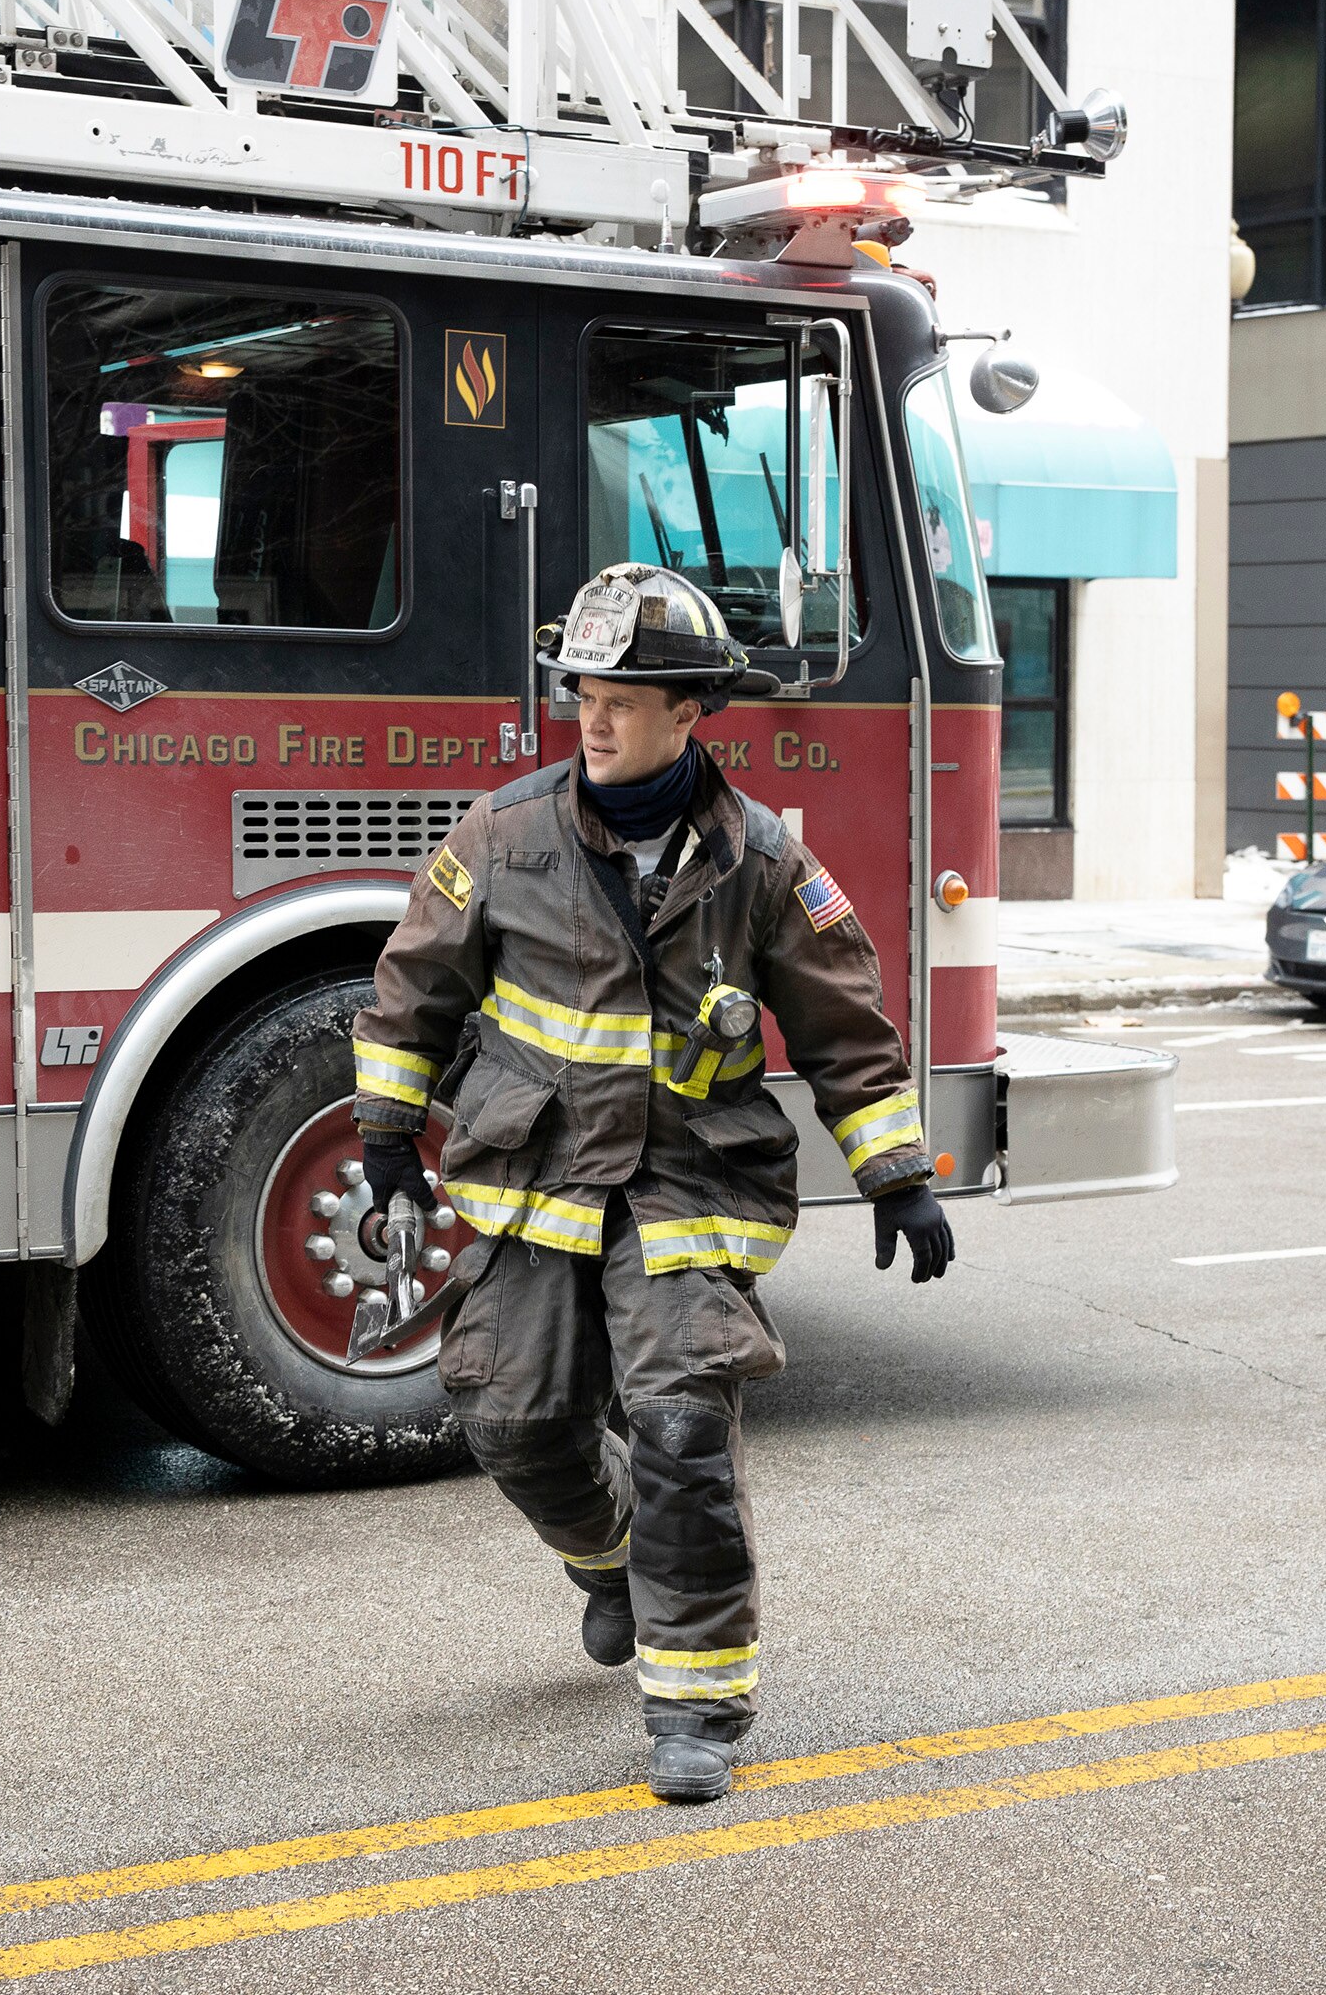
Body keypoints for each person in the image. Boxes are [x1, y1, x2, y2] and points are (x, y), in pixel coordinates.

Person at [351, 562, 954, 1804]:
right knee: (515, 1421)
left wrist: (898, 1173)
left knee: (682, 1426)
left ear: (690, 709)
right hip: (540, 1181)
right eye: (582, 691)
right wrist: (383, 1141)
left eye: (623, 697)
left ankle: (698, 1707)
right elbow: (412, 994)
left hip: (688, 1190)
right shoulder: (500, 840)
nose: (592, 716)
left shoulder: (766, 864)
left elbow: (845, 1027)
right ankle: (611, 1561)